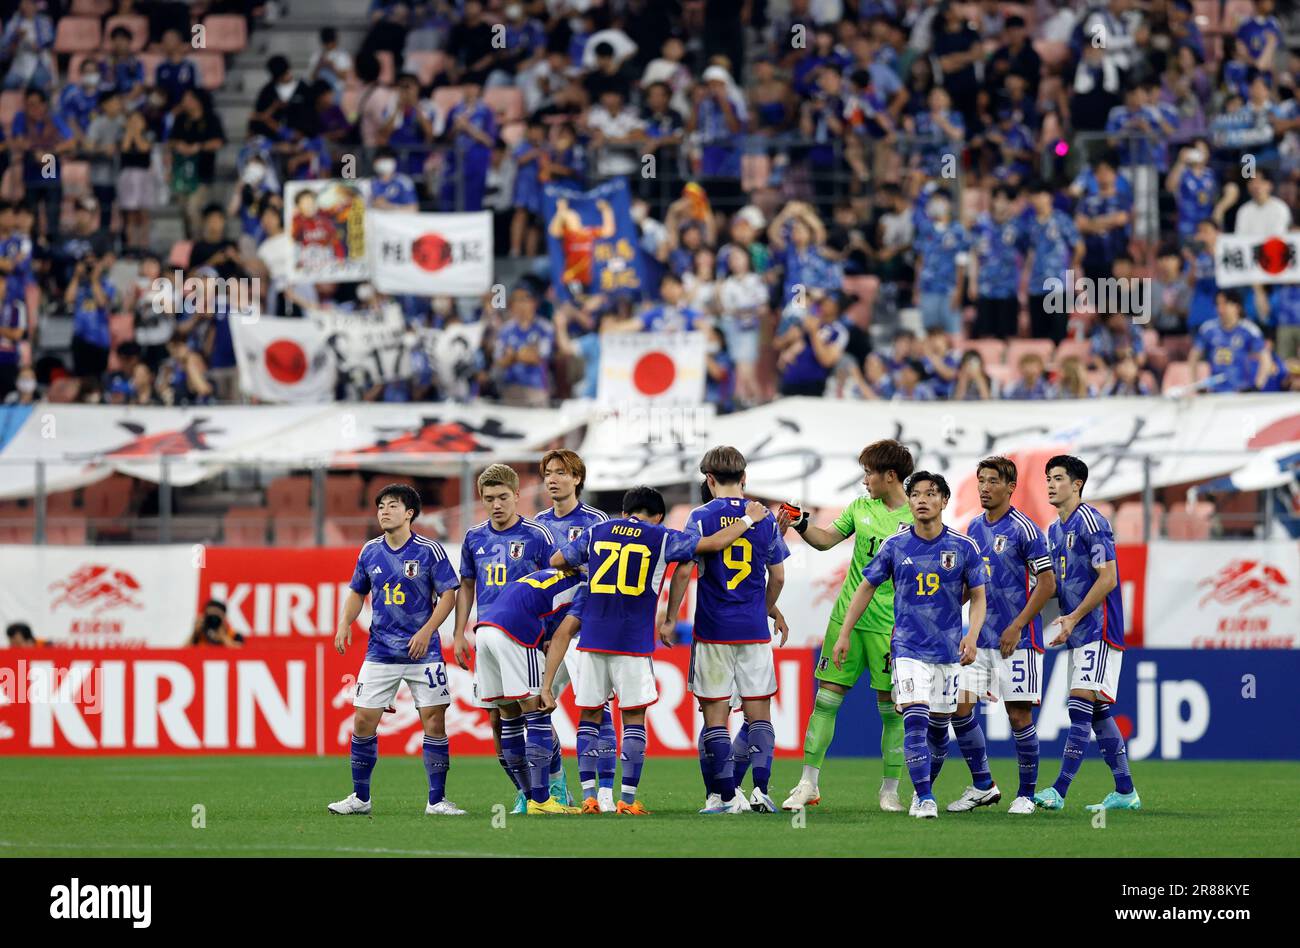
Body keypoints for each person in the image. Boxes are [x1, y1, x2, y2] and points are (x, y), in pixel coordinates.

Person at [542, 485, 772, 815]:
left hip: (592, 637)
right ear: (659, 516)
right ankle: (627, 800)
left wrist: (588, 570)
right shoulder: (661, 536)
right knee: (633, 717)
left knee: (590, 716)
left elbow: (557, 559)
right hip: (632, 642)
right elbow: (713, 544)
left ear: (624, 512)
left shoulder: (598, 531)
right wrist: (748, 521)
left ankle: (590, 797)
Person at [829, 471, 987, 819]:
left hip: (947, 652)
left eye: (930, 494)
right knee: (915, 717)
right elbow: (865, 587)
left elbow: (978, 596)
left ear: (944, 501)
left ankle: (921, 790)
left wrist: (972, 635)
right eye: (915, 494)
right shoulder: (895, 545)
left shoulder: (963, 547)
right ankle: (926, 797)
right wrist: (844, 633)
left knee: (939, 729)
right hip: (907, 648)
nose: (921, 500)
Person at [777, 439, 915, 813]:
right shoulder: (860, 508)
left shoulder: (917, 517)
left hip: (892, 626)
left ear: (890, 476)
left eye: (869, 472)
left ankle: (890, 790)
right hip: (848, 621)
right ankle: (808, 783)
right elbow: (824, 542)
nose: (865, 479)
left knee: (892, 710)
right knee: (826, 700)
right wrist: (801, 523)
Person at [661, 446, 790, 814]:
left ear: (709, 479)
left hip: (714, 629)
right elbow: (778, 575)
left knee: (714, 716)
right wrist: (763, 610)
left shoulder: (700, 516)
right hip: (752, 631)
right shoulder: (763, 517)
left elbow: (684, 568)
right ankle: (761, 790)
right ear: (744, 478)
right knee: (759, 715)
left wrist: (670, 617)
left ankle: (724, 798)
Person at [328, 484, 464, 817]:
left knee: (434, 722)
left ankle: (437, 800)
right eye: (380, 506)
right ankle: (360, 798)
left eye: (392, 505)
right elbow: (357, 592)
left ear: (410, 513)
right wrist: (345, 623)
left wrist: (427, 631)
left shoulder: (429, 551)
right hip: (380, 652)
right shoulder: (369, 551)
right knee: (362, 721)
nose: (384, 511)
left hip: (425, 652)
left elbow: (449, 594)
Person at [1035, 456, 1141, 813]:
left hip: (1099, 627)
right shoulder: (1053, 531)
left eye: (1058, 478)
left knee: (1080, 707)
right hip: (1079, 631)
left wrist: (1074, 617)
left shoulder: (1093, 522)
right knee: (1096, 712)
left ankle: (1059, 791)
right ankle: (1125, 791)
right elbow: (1053, 586)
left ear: (1077, 484)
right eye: (1048, 478)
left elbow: (1108, 577)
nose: (1051, 484)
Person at [452, 464, 555, 814]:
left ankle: (548, 791)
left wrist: (550, 634)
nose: (495, 504)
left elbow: (554, 583)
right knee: (500, 717)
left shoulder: (537, 535)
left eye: (502, 497)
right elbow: (467, 584)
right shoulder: (474, 537)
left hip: (525, 636)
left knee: (533, 708)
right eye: (488, 498)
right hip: (486, 637)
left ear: (516, 496)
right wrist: (459, 632)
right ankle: (526, 794)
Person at [955, 457, 1056, 815]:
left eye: (992, 481)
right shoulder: (973, 528)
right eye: (980, 480)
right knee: (960, 709)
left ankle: (1026, 794)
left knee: (1018, 717)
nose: (984, 487)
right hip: (980, 640)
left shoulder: (1026, 530)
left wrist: (1017, 625)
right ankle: (983, 784)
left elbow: (1047, 584)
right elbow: (971, 583)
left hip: (1019, 641)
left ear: (1010, 487)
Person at [531, 449, 616, 811]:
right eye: (548, 473)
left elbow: (606, 577)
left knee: (595, 708)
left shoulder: (598, 521)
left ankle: (605, 794)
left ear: (577, 478)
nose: (552, 479)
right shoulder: (537, 524)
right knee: (536, 709)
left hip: (584, 630)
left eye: (560, 473)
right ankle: (556, 787)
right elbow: (535, 579)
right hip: (548, 633)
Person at [471, 564, 587, 815]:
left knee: (509, 718)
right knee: (538, 713)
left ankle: (528, 798)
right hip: (516, 633)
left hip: (484, 630)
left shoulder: (549, 574)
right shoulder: (586, 588)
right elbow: (561, 637)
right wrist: (546, 687)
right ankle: (543, 801)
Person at [1021, 179, 1083, 344]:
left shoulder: (1062, 220)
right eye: (1034, 196)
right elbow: (1026, 252)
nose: (1038, 199)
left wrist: (1070, 269)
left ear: (1050, 197)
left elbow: (1079, 247)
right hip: (1036, 287)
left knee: (1058, 335)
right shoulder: (1029, 224)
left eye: (1042, 195)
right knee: (1039, 338)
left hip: (1058, 286)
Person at [1188, 289, 1274, 393]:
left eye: (1225, 304)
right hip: (1215, 392)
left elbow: (1266, 358)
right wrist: (1195, 383)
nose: (1220, 309)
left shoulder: (1249, 330)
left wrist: (1257, 386)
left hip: (1240, 392)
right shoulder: (1208, 329)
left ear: (1237, 307)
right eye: (1218, 304)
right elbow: (1193, 356)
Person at [969, 184, 1024, 339]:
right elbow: (974, 255)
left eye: (1005, 199)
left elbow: (1028, 255)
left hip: (1008, 289)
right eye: (997, 198)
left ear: (1012, 203)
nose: (1000, 203)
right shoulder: (981, 224)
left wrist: (1023, 284)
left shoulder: (1018, 226)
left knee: (1007, 335)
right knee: (985, 335)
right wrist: (973, 282)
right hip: (986, 289)